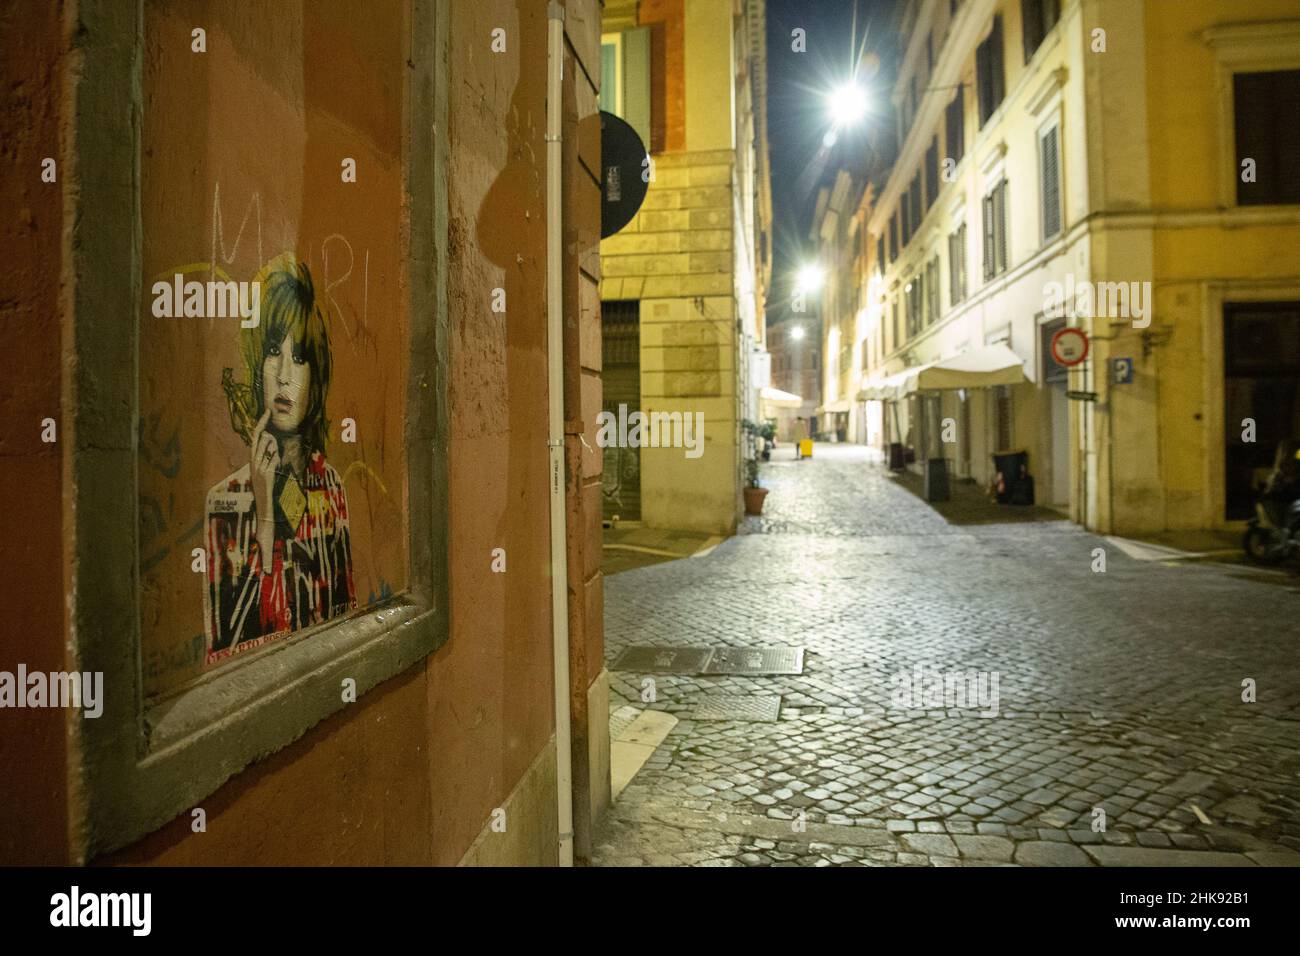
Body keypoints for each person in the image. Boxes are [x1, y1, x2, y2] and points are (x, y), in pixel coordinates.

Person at [203, 256, 356, 662]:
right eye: (274, 350)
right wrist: (265, 511)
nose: (286, 373)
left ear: (316, 376)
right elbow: (228, 651)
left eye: (300, 356)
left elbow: (345, 620)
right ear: (259, 366)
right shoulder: (227, 502)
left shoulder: (329, 487)